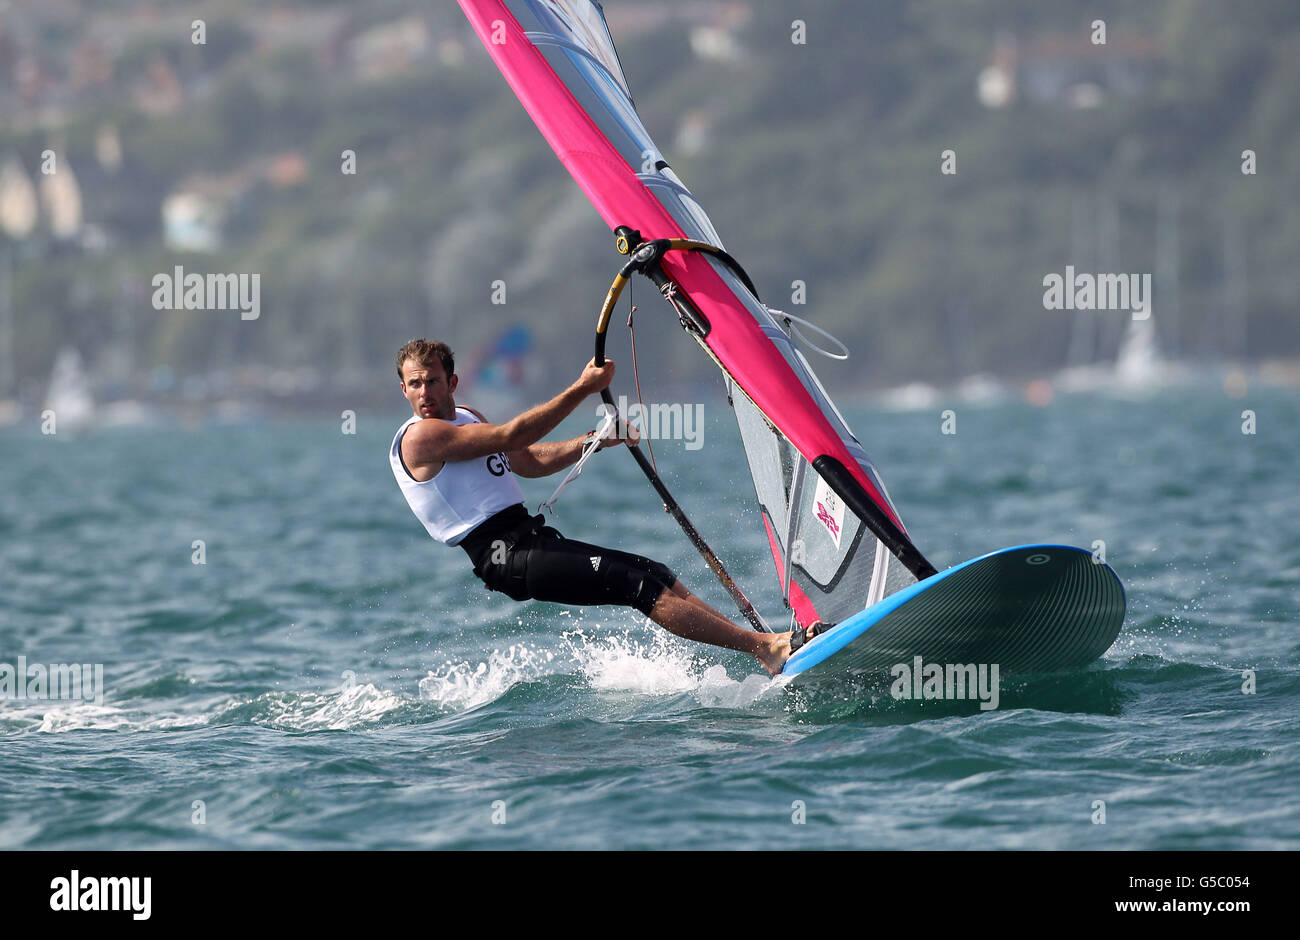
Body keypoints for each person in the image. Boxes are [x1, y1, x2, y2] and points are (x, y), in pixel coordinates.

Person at [389, 338, 826, 676]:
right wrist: (584, 388)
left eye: (432, 380)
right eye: (414, 383)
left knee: (654, 572)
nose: (424, 391)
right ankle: (767, 649)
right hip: (503, 557)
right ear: (404, 388)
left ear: (452, 382)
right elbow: (511, 437)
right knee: (635, 587)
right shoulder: (420, 437)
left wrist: (591, 441)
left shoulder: (466, 415)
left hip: (529, 537)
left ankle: (767, 644)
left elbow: (526, 460)